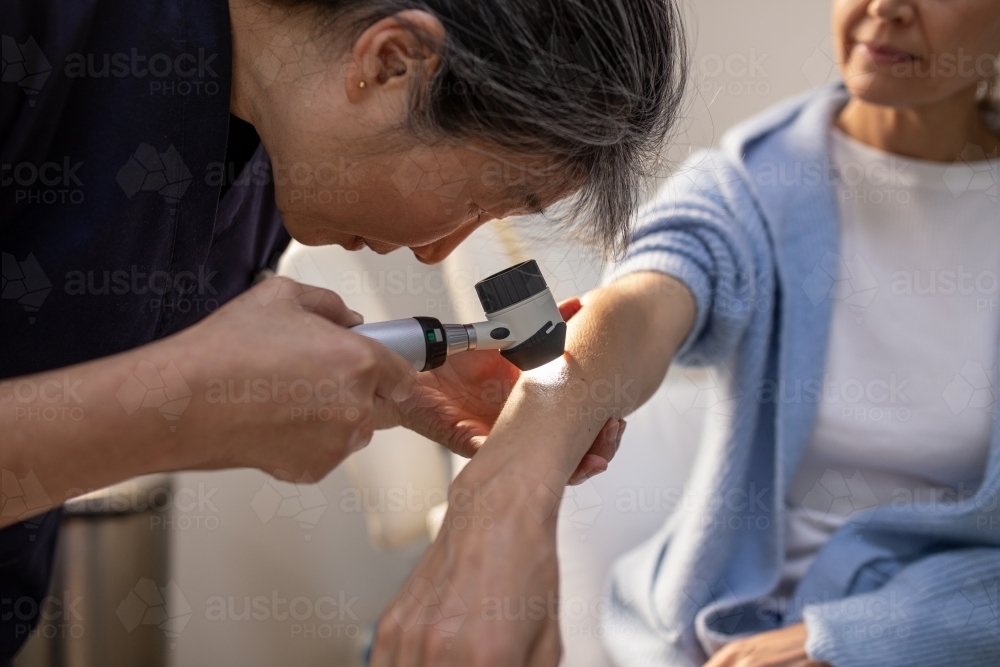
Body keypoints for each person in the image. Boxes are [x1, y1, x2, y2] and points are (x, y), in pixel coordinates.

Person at [0, 0, 687, 661]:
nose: (438, 251)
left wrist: (380, 379)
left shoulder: (267, 147)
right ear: (391, 62)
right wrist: (179, 411)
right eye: (476, 202)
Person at [373, 0, 1000, 665]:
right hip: (704, 639)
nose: (886, 7)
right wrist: (506, 486)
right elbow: (642, 307)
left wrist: (850, 642)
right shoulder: (754, 188)